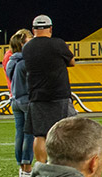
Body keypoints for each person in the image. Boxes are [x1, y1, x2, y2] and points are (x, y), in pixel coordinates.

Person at [22, 14, 75, 165]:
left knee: (39, 135)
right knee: (64, 133)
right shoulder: (58, 44)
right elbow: (72, 62)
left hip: (37, 95)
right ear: (50, 28)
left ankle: (41, 168)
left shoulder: (27, 47)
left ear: (33, 30)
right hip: (59, 95)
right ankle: (63, 166)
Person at [4, 29, 34, 177]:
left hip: (14, 99)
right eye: (29, 39)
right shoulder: (26, 60)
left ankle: (21, 167)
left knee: (19, 133)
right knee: (29, 134)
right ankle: (27, 167)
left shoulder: (10, 60)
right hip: (26, 100)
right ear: (23, 43)